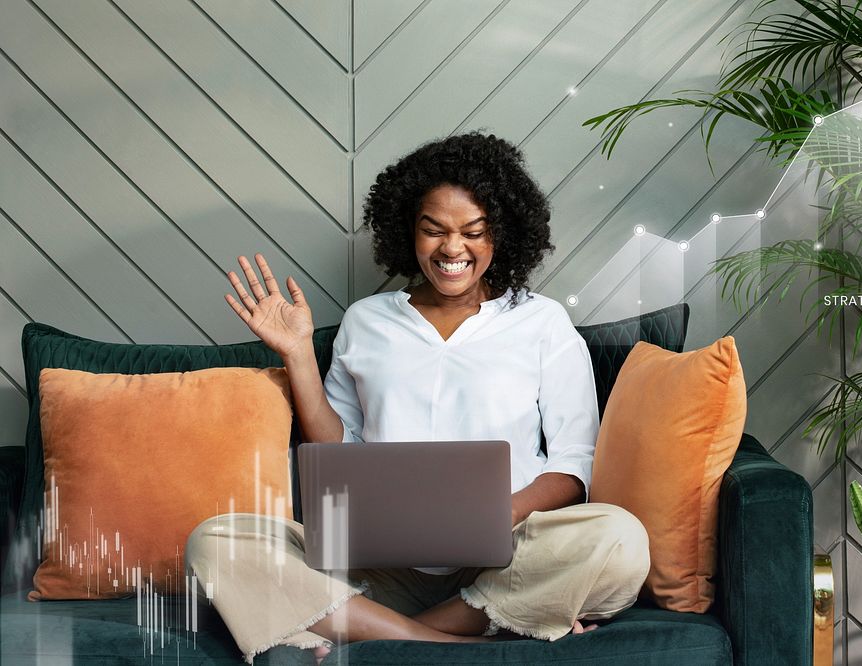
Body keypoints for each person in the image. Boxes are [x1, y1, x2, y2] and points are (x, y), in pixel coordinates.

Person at [184, 132, 650, 664]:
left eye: (474, 232)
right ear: (408, 231)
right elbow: (341, 448)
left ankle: (376, 633)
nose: (453, 250)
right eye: (434, 231)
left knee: (619, 540)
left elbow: (574, 462)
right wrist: (297, 354)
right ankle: (450, 644)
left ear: (502, 234)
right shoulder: (368, 320)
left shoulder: (542, 322)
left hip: (507, 560)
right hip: (380, 563)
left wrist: (500, 515)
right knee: (214, 542)